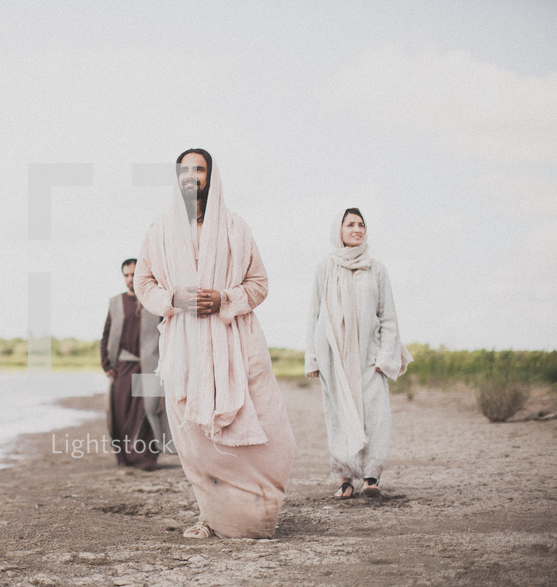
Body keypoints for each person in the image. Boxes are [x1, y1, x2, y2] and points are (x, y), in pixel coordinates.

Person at [134, 148, 296, 539]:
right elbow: (144, 283)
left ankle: (258, 510)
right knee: (196, 439)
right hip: (184, 345)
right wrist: (173, 300)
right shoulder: (159, 229)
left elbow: (259, 284)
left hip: (235, 340)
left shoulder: (236, 228)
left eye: (199, 169)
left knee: (272, 434)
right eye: (184, 169)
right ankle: (209, 517)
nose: (191, 175)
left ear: (211, 176)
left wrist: (224, 299)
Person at [305, 208, 412, 499]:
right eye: (350, 224)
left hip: (370, 356)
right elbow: (314, 314)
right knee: (339, 416)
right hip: (333, 356)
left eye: (361, 225)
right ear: (338, 230)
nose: (357, 229)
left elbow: (388, 317)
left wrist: (385, 358)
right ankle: (345, 479)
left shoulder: (376, 269)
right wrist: (312, 357)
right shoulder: (324, 268)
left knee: (376, 415)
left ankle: (371, 476)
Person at [100, 258, 167, 471]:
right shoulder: (116, 302)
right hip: (123, 366)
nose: (130, 279)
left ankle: (146, 459)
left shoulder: (155, 302)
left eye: (134, 274)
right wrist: (106, 362)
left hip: (148, 366)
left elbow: (168, 333)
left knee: (147, 412)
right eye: (126, 275)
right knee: (121, 413)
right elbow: (106, 334)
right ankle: (125, 458)